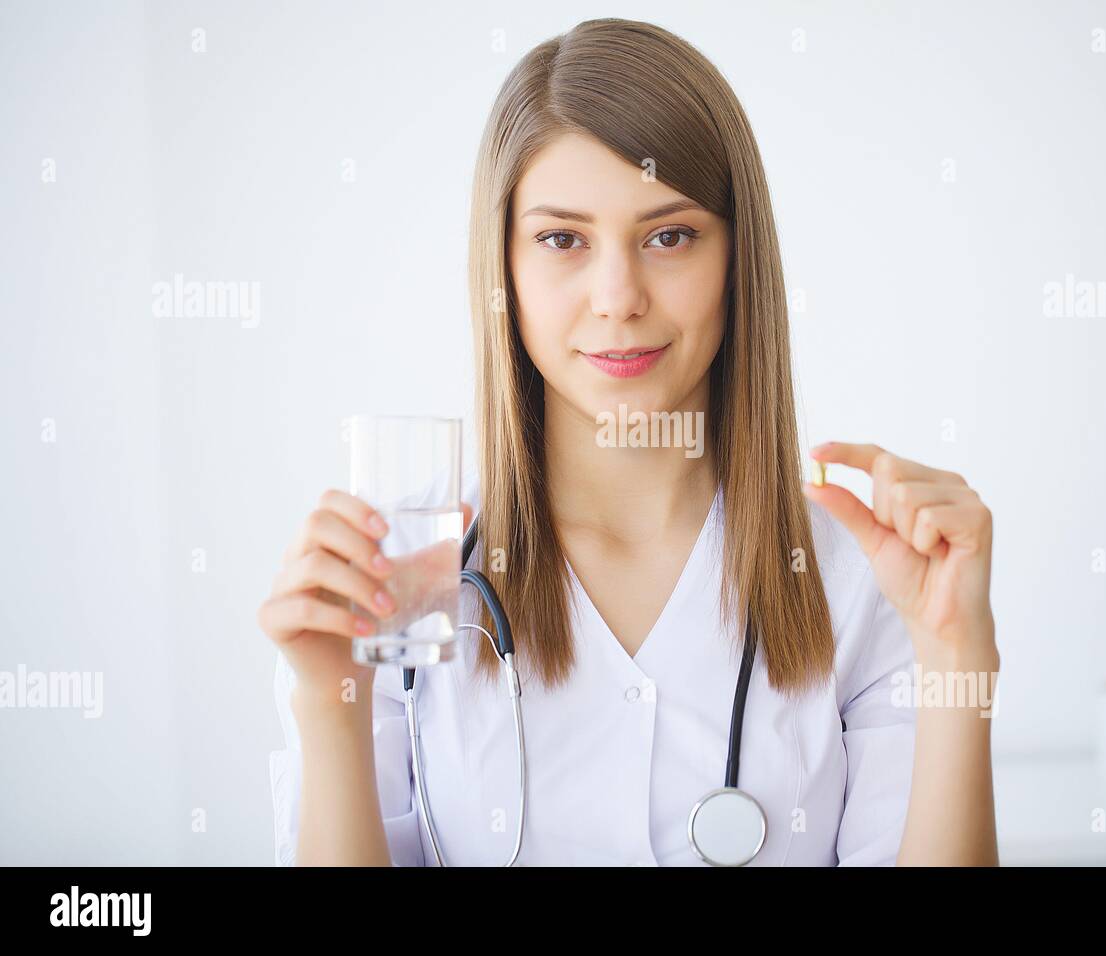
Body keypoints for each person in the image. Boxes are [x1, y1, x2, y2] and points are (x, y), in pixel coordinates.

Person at [259, 17, 1000, 866]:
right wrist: (329, 701)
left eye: (670, 236)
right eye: (562, 239)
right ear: (503, 268)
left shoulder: (865, 578)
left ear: (738, 258)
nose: (618, 297)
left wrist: (955, 664)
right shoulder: (394, 575)